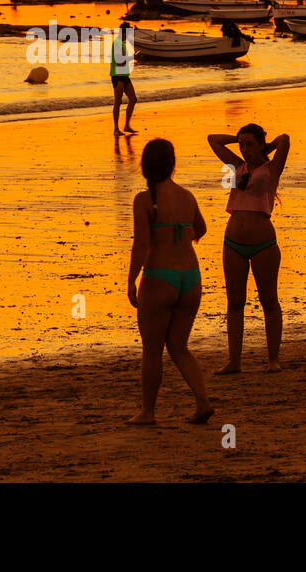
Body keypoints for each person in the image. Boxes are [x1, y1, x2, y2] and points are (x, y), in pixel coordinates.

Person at [125, 138, 213, 425]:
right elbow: (201, 228)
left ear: (145, 165)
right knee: (179, 346)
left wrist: (131, 279)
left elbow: (141, 245)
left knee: (152, 349)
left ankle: (148, 412)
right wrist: (181, 237)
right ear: (172, 164)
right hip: (190, 278)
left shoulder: (144, 199)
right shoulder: (186, 196)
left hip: (160, 279)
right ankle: (202, 401)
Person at [207, 123, 290, 372]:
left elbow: (284, 137)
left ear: (261, 145)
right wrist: (239, 139)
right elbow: (213, 139)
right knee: (234, 302)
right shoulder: (237, 166)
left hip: (263, 244)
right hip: (233, 243)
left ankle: (273, 360)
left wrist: (266, 147)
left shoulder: (271, 168)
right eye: (242, 145)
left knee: (268, 300)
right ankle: (234, 361)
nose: (244, 149)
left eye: (249, 144)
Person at [110, 22, 137, 135]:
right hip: (117, 76)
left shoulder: (123, 43)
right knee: (118, 101)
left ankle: (126, 126)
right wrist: (132, 57)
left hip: (125, 76)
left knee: (133, 99)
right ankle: (116, 129)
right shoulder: (117, 43)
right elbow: (120, 60)